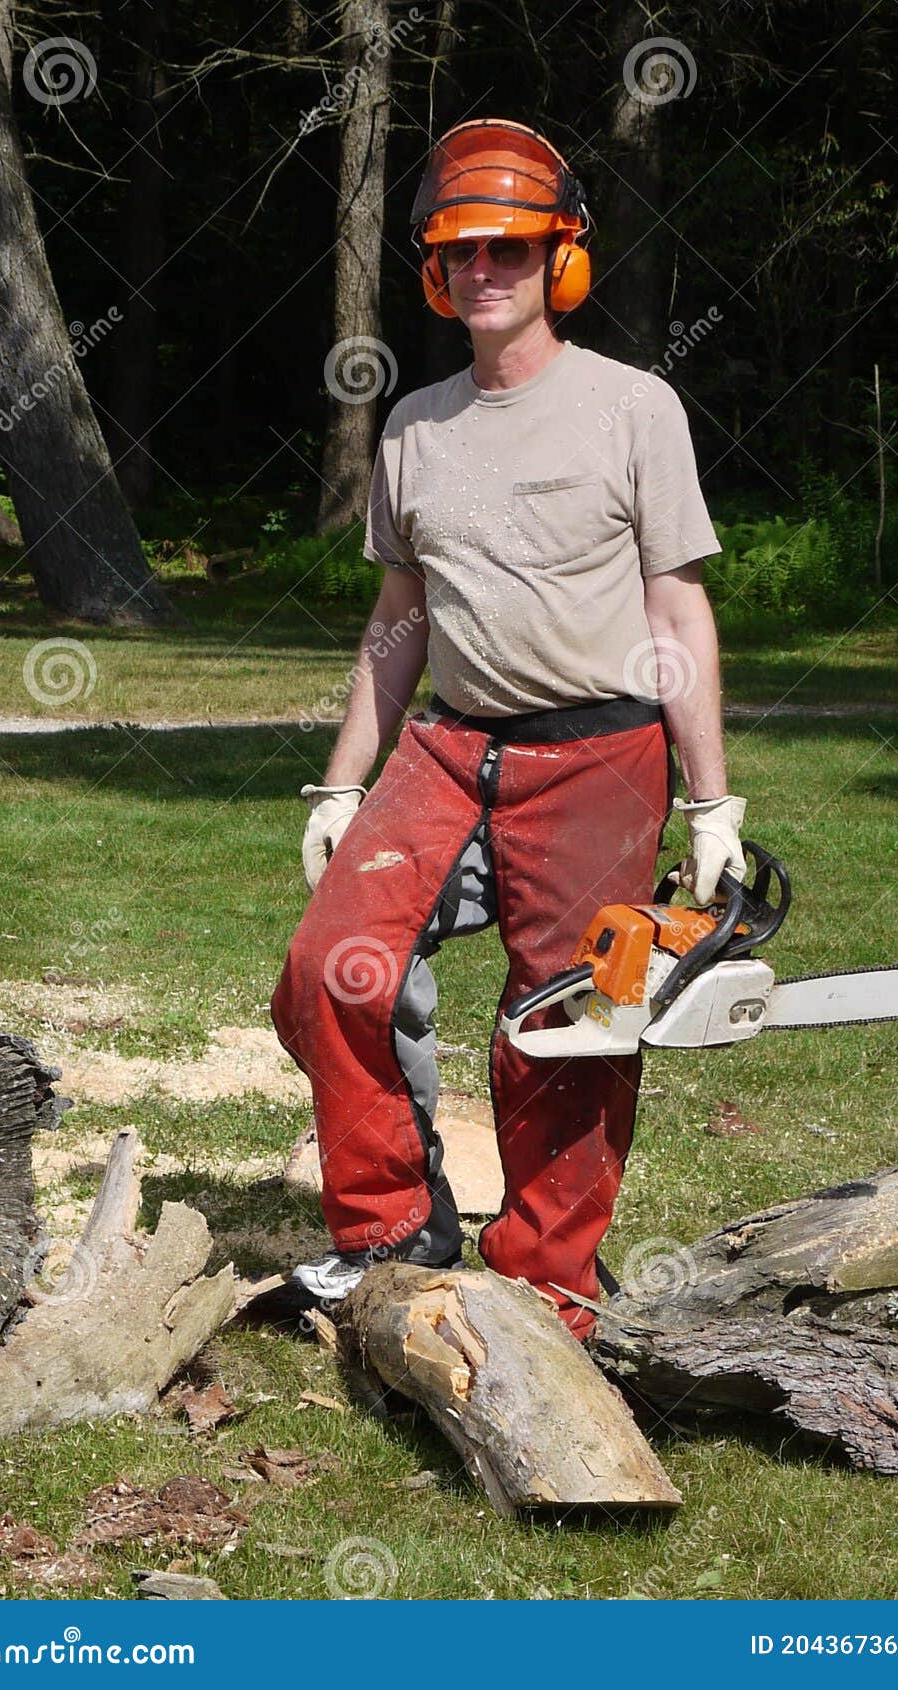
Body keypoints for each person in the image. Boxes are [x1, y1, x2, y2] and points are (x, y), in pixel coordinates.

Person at [270, 118, 745, 1343]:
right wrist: (340, 785)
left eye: (509, 248)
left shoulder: (632, 407)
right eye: (459, 251)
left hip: (601, 754)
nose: (483, 269)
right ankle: (388, 1234)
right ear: (434, 270)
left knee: (575, 1020)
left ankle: (546, 1277)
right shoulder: (414, 425)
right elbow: (399, 617)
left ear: (559, 258)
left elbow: (675, 608)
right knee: (331, 966)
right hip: (448, 745)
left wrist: (711, 804)